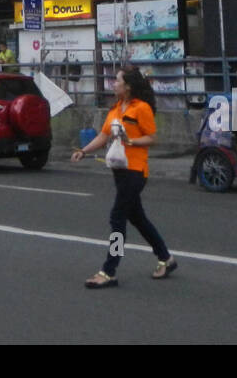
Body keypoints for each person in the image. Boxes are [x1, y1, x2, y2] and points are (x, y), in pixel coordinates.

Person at [71, 66, 175, 287]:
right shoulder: (116, 109)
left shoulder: (142, 108)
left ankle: (109, 271)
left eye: (117, 80)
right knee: (137, 218)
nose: (113, 84)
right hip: (119, 171)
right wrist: (84, 151)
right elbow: (103, 135)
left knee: (117, 217)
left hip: (135, 172)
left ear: (128, 86)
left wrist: (132, 142)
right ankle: (165, 257)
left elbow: (152, 138)